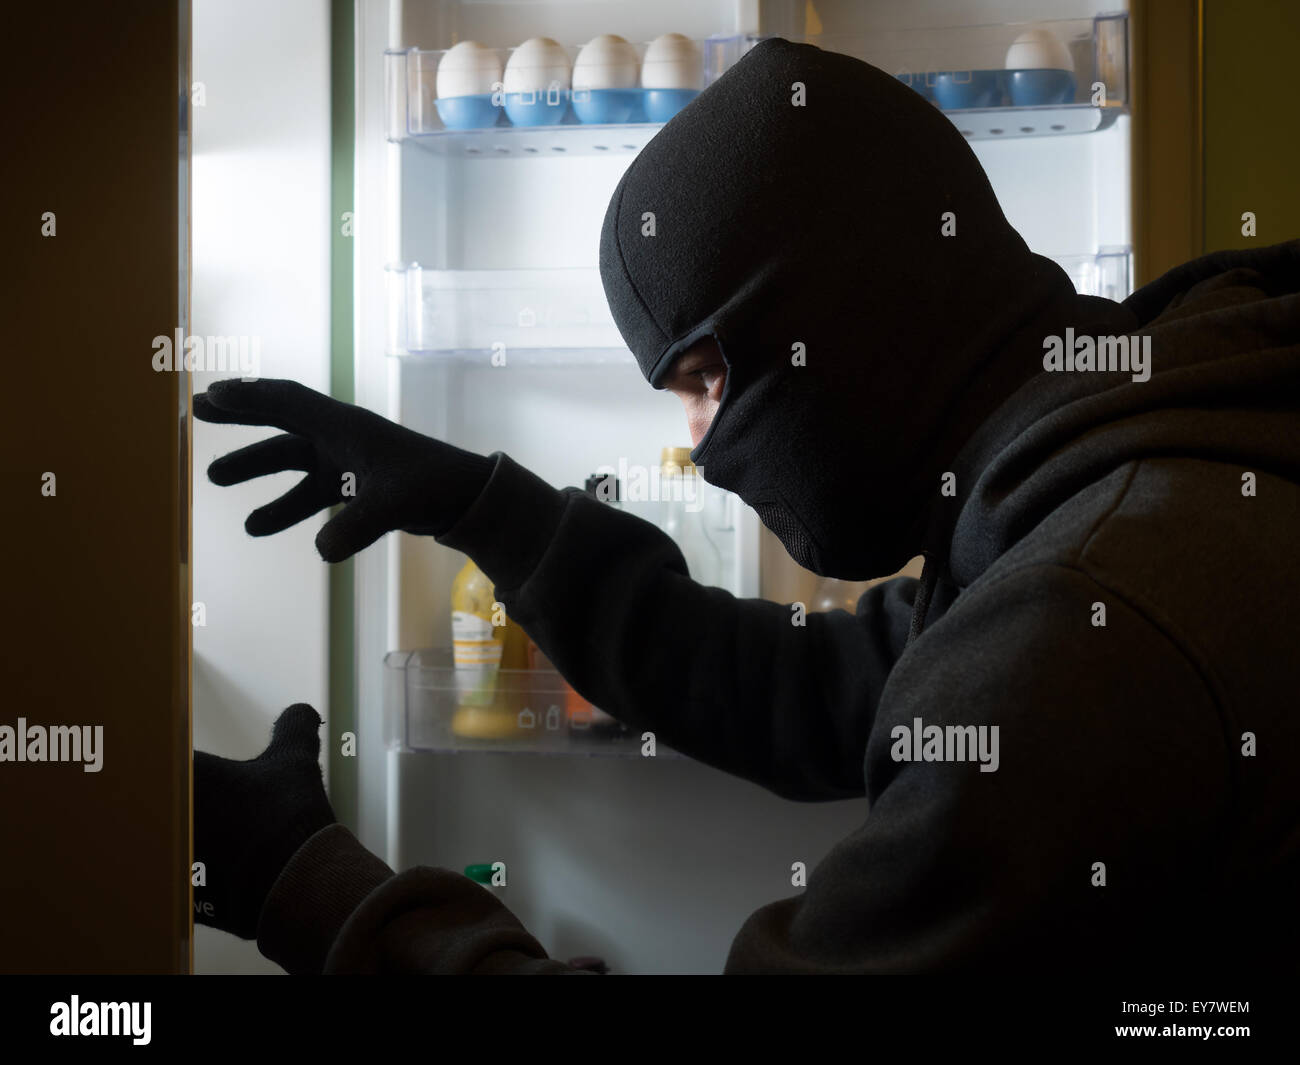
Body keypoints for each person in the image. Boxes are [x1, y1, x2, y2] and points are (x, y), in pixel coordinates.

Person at [192, 37, 1300, 974]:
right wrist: (486, 507)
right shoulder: (1109, 463)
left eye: (707, 382)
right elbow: (819, 690)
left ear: (847, 312)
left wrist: (302, 880)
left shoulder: (1085, 620)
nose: (702, 450)